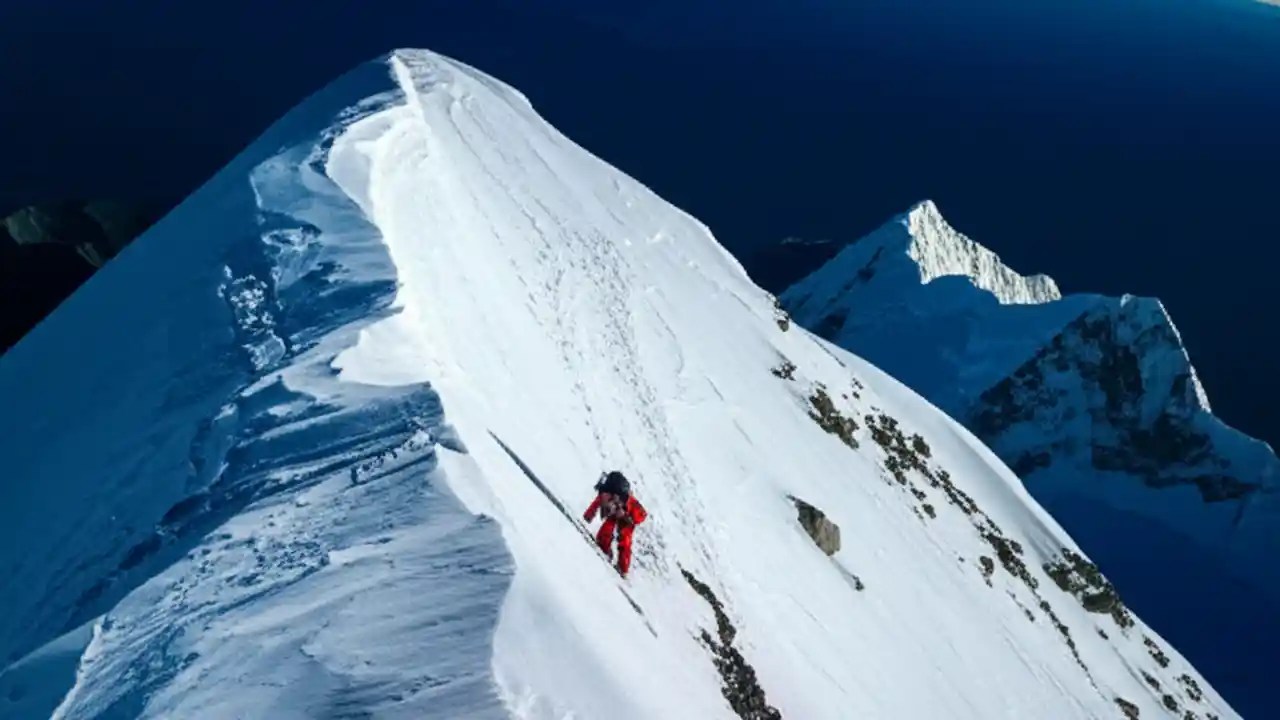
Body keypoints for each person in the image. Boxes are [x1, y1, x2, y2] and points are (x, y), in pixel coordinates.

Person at [583, 470, 647, 577]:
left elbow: (642, 515)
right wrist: (587, 517)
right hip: (617, 513)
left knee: (625, 542)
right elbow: (596, 503)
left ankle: (623, 569)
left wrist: (627, 517)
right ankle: (604, 548)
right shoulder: (607, 493)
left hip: (628, 519)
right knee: (605, 532)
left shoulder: (633, 506)